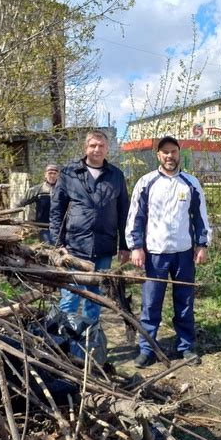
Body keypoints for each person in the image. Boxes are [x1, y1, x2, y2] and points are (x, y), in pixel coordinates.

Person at [125, 136, 212, 368]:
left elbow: (201, 217)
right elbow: (136, 217)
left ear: (179, 153)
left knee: (184, 303)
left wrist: (202, 244)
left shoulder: (190, 183)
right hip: (155, 254)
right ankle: (147, 349)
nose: (169, 156)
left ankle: (186, 346)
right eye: (165, 152)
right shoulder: (146, 182)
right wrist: (136, 247)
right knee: (151, 304)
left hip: (184, 254)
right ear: (158, 155)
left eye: (173, 152)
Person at [49, 130, 130, 321]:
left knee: (94, 299)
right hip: (74, 247)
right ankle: (64, 342)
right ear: (86, 148)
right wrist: (57, 244)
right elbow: (56, 211)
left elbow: (124, 213)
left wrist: (125, 246)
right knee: (70, 297)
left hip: (104, 246)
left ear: (107, 148)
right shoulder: (70, 173)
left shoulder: (116, 176)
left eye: (101, 146)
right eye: (93, 145)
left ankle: (89, 342)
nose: (97, 149)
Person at [17, 164, 59, 242]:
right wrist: (12, 219)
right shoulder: (37, 190)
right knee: (48, 246)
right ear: (45, 174)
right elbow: (20, 204)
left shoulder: (63, 190)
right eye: (50, 173)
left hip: (60, 228)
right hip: (44, 228)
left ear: (58, 175)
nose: (52, 176)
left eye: (54, 173)